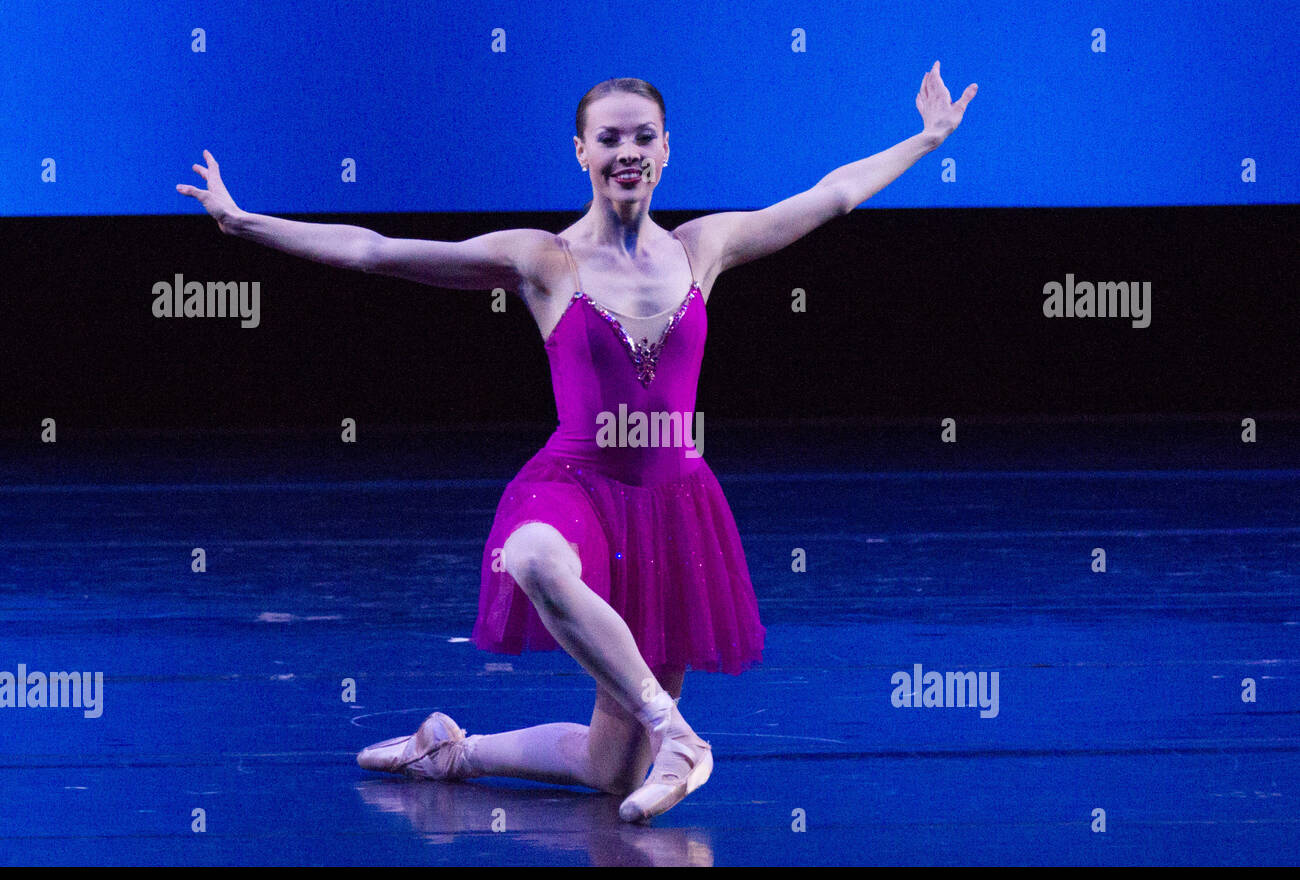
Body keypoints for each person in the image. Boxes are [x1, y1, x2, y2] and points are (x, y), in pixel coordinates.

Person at [177, 65, 976, 823]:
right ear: (581, 151)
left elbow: (830, 196)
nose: (627, 152)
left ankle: (452, 752)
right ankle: (681, 734)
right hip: (574, 483)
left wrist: (926, 140)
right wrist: (246, 222)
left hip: (673, 505)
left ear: (666, 150)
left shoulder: (705, 247)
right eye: (610, 137)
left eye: (643, 136)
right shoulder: (542, 258)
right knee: (529, 557)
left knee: (607, 770)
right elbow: (376, 250)